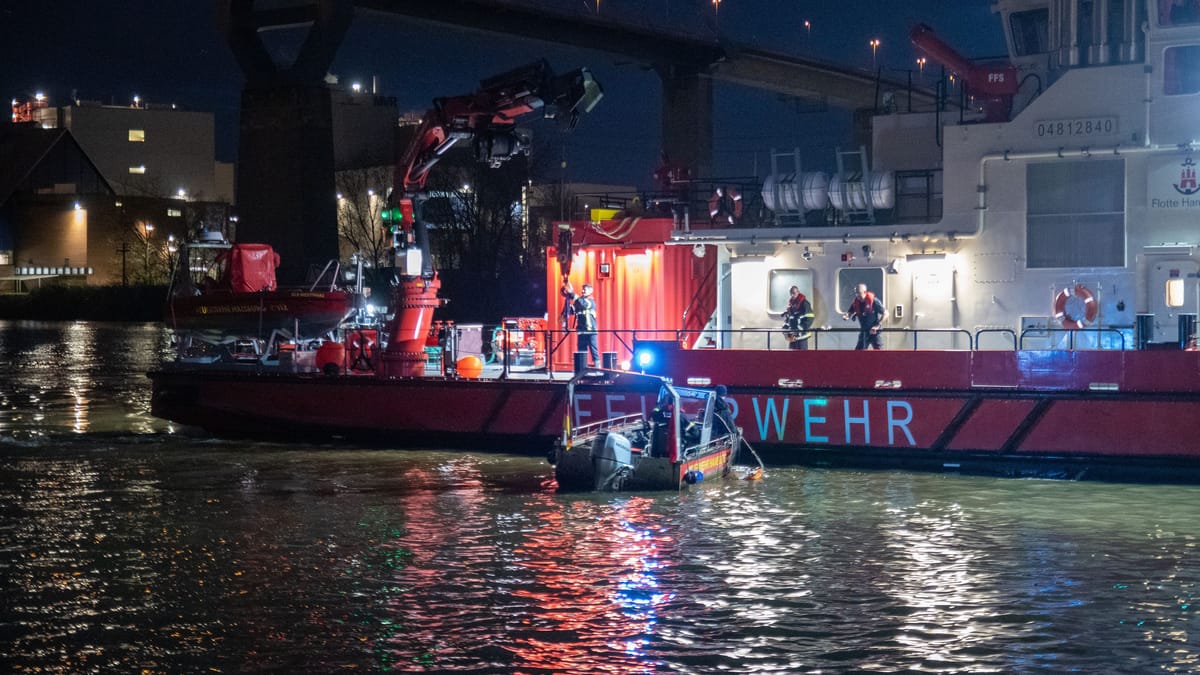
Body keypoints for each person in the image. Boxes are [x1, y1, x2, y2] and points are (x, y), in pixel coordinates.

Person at [562, 278, 599, 365]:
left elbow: (583, 304)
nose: (582, 291)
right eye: (582, 289)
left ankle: (598, 368)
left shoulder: (590, 301)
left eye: (585, 289)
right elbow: (573, 309)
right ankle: (582, 369)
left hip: (591, 331)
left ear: (590, 291)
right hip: (581, 331)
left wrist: (572, 293)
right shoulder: (580, 301)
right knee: (582, 351)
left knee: (594, 350)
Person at [842, 283, 885, 350]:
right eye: (856, 293)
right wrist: (847, 316)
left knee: (879, 353)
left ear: (865, 292)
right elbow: (850, 312)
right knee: (858, 353)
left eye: (859, 293)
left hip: (874, 332)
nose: (857, 295)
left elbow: (886, 313)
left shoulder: (874, 301)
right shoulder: (856, 302)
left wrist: (878, 325)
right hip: (864, 331)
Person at [783, 285, 814, 350]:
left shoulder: (805, 303)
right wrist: (786, 332)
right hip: (792, 338)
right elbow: (788, 320)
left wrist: (798, 330)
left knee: (802, 358)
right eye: (791, 293)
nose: (792, 295)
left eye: (794, 293)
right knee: (791, 358)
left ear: (798, 292)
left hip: (802, 338)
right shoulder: (791, 305)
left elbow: (810, 318)